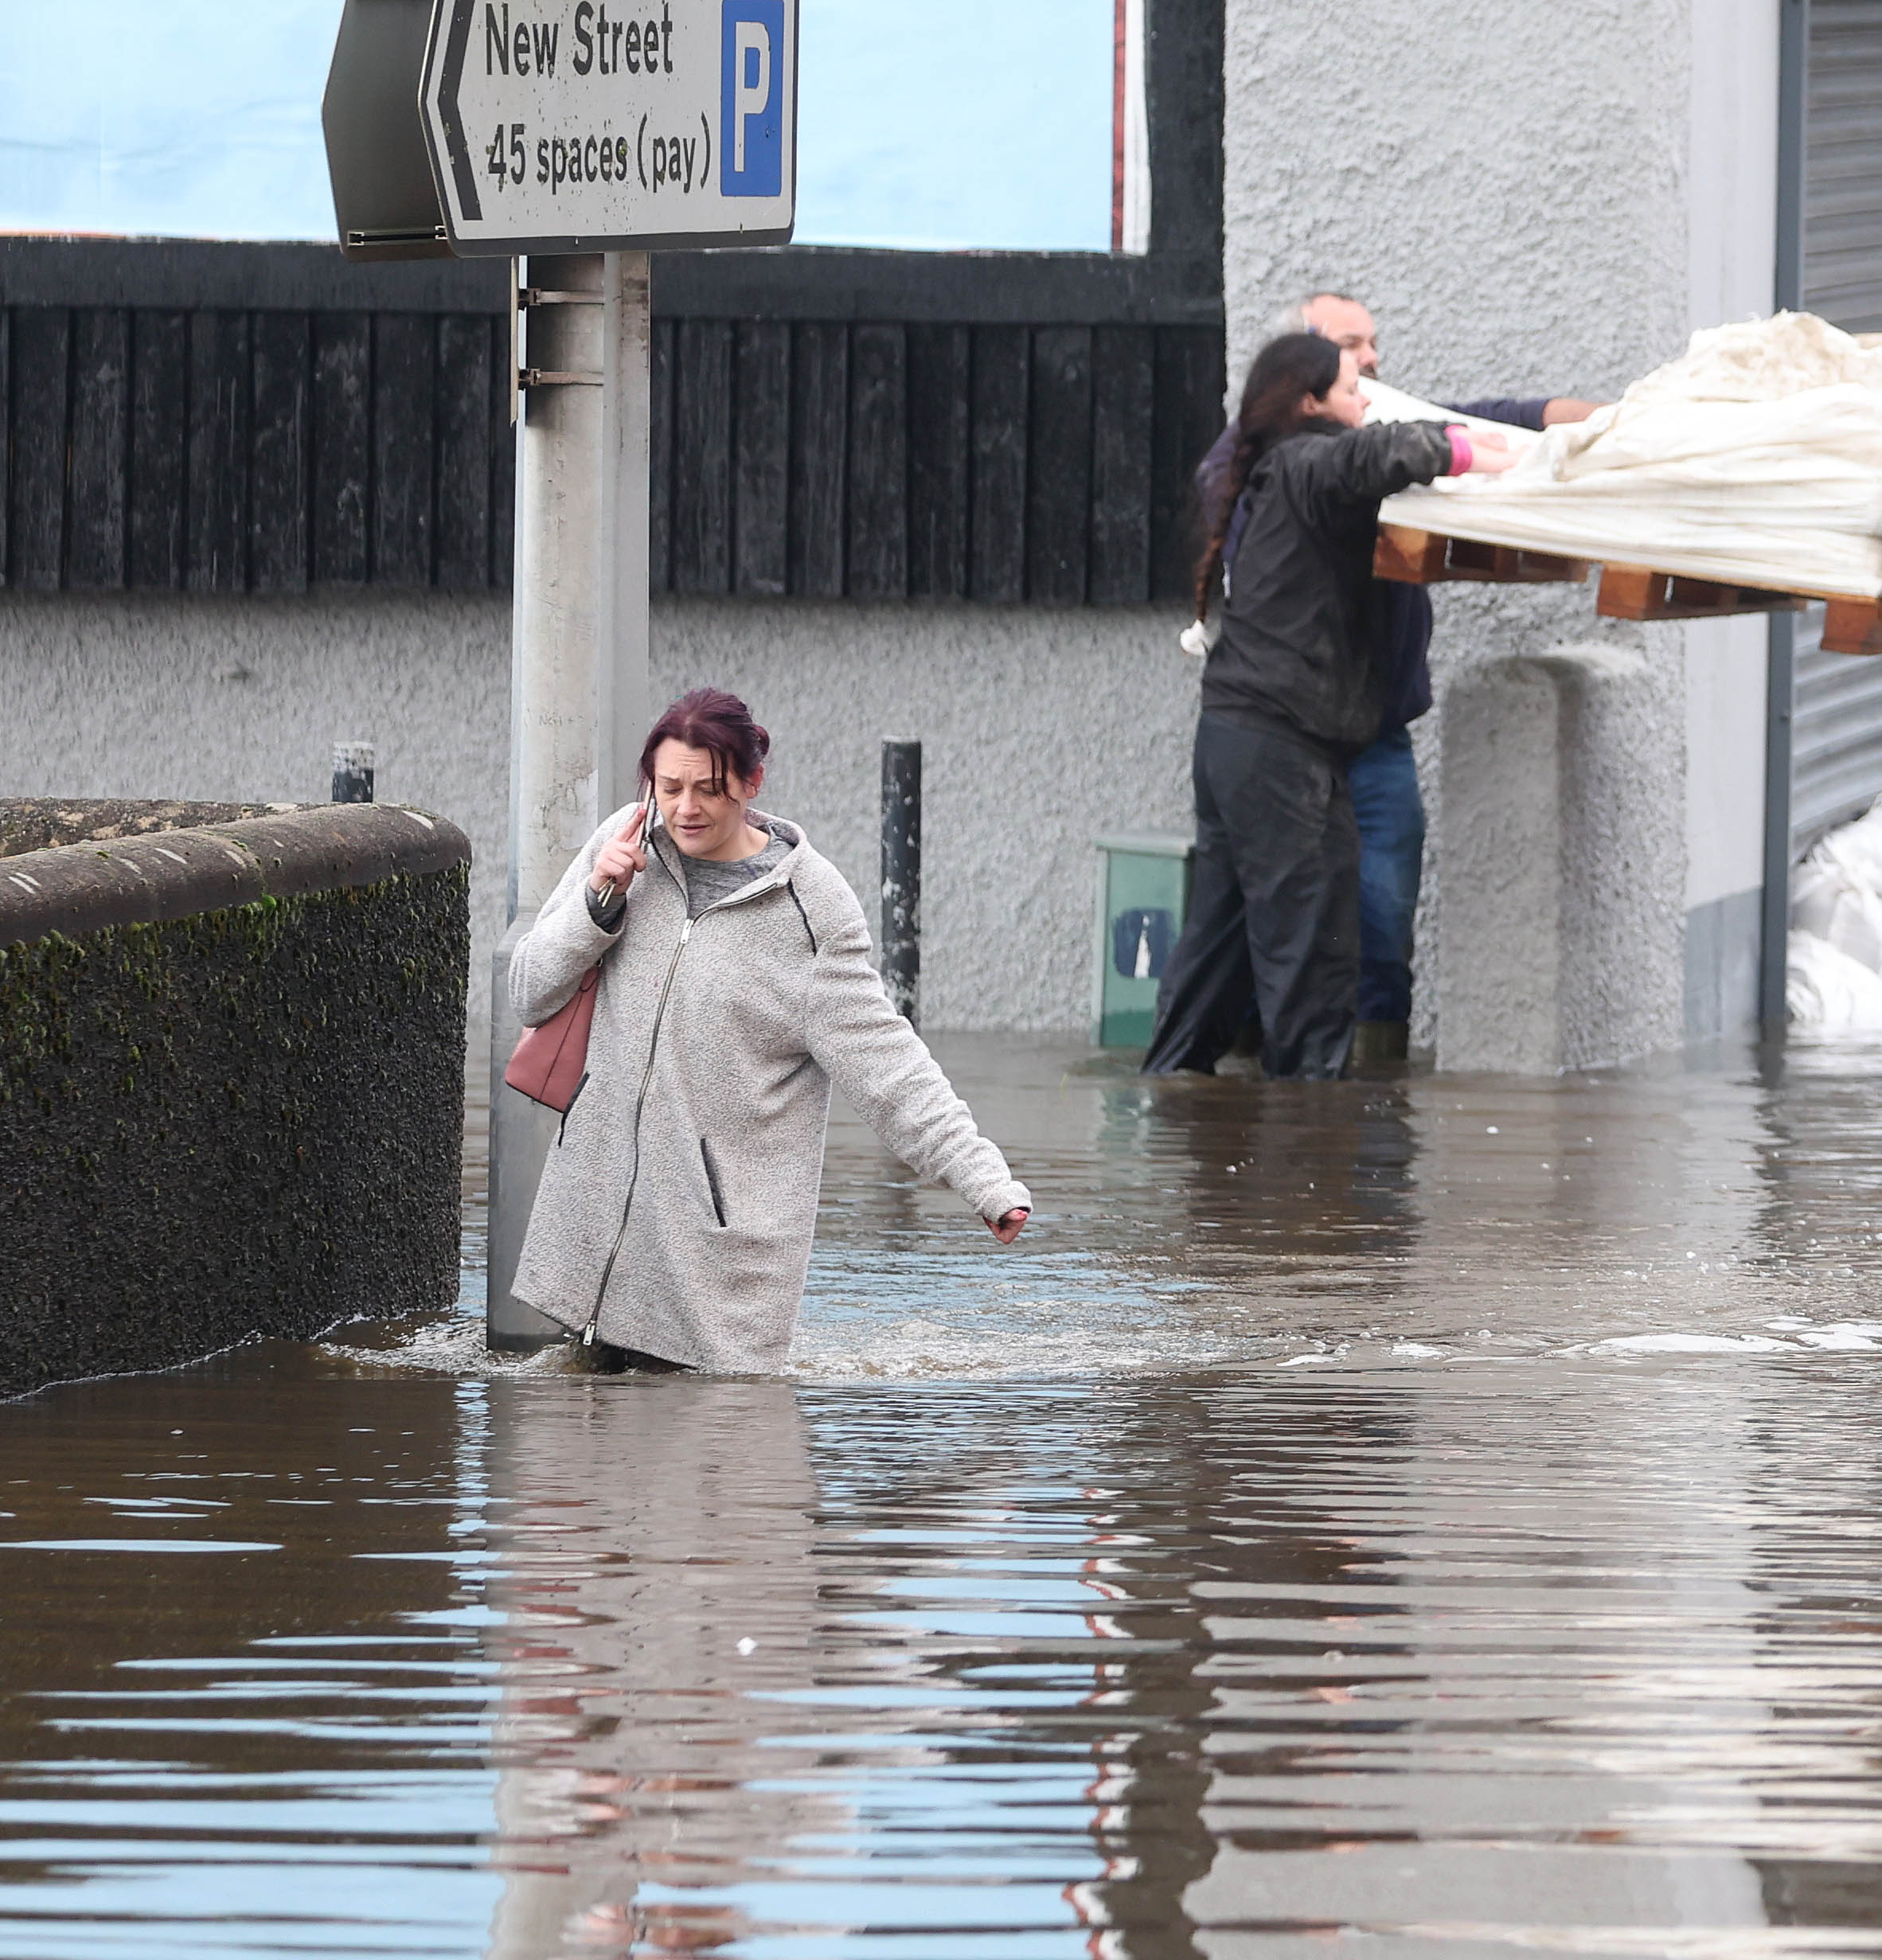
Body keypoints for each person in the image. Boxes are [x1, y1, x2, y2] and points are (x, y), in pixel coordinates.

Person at [502, 689, 1032, 1373]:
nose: (686, 808)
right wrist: (595, 904)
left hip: (715, 1276)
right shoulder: (624, 848)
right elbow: (528, 991)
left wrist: (985, 1181)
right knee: (571, 1465)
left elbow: (889, 1067)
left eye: (711, 790)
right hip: (593, 1248)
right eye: (670, 787)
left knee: (721, 1468)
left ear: (752, 784)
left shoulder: (811, 908)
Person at [1142, 329, 1504, 1080]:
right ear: (1310, 405)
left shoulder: (1276, 472)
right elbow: (1381, 454)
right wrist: (1475, 451)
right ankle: (1311, 1164)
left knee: (1220, 948)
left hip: (1236, 739)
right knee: (1314, 964)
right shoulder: (1312, 461)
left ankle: (1168, 1112)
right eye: (1349, 390)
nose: (1364, 398)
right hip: (1282, 752)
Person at [1290, 291, 1576, 1068]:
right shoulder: (1282, 464)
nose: (1374, 357)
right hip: (1291, 741)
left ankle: (1376, 1108)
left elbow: (1488, 419)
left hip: (1380, 738)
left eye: (1375, 341)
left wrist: (1601, 422)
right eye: (1353, 345)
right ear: (1307, 370)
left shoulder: (1397, 431)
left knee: (1383, 925)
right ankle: (1291, 1105)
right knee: (1289, 927)